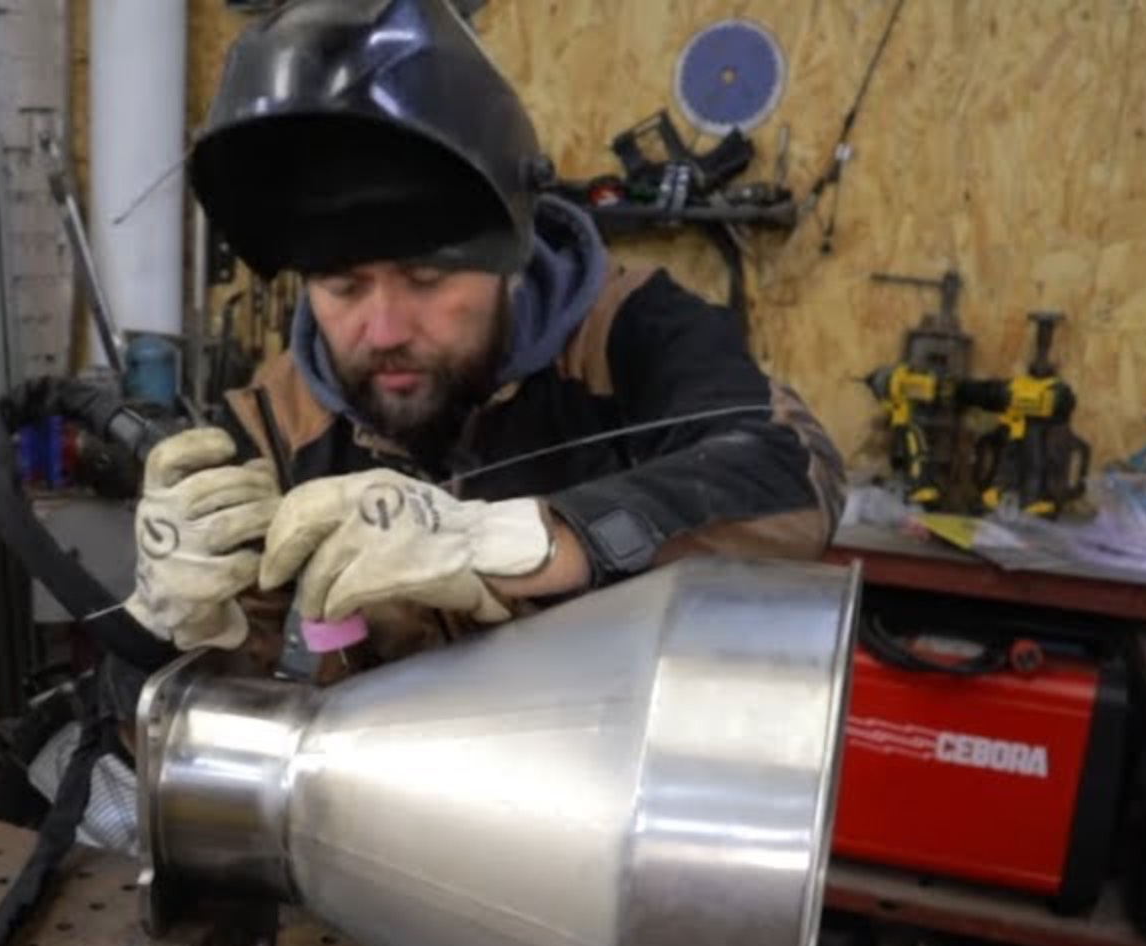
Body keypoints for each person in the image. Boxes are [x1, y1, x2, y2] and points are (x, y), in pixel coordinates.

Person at [121, 0, 846, 672]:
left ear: (512, 257)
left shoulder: (630, 330)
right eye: (342, 286)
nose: (384, 330)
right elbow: (222, 706)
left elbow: (789, 474)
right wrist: (183, 632)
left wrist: (518, 542)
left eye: (428, 279)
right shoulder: (273, 423)